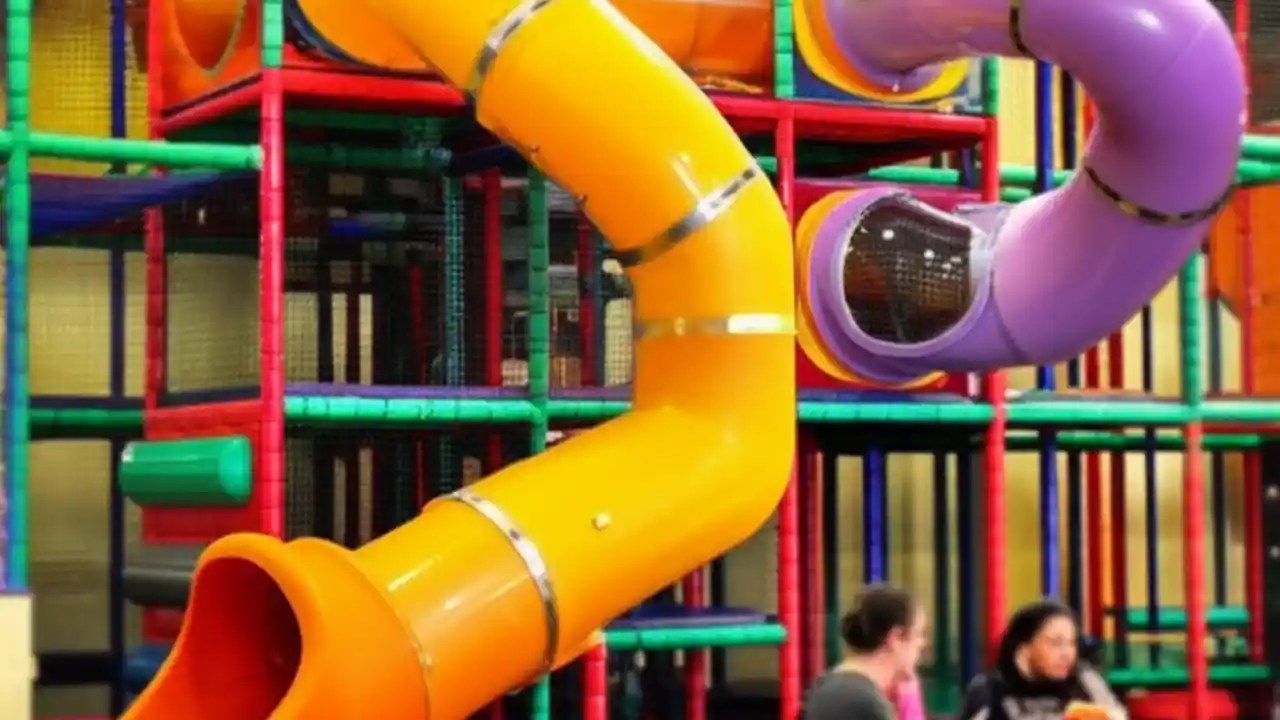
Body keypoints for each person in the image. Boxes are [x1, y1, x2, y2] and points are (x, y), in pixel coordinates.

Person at [960, 599, 1127, 720]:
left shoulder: (1085, 681)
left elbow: (1116, 715)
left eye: (1072, 643)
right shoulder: (989, 691)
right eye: (1055, 643)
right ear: (1024, 649)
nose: (1067, 653)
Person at [801, 584, 929, 720]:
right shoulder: (865, 704)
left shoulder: (826, 686)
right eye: (919, 634)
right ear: (895, 638)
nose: (923, 644)